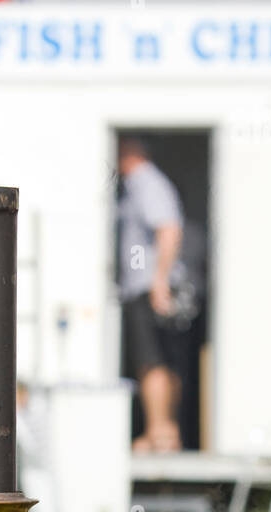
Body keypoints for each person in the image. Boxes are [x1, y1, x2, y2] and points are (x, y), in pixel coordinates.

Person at [116, 136, 185, 453]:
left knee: (151, 360)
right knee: (166, 361)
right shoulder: (149, 183)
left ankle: (158, 433)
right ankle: (166, 431)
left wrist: (158, 281)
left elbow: (168, 229)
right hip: (155, 284)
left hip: (148, 286)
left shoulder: (145, 183)